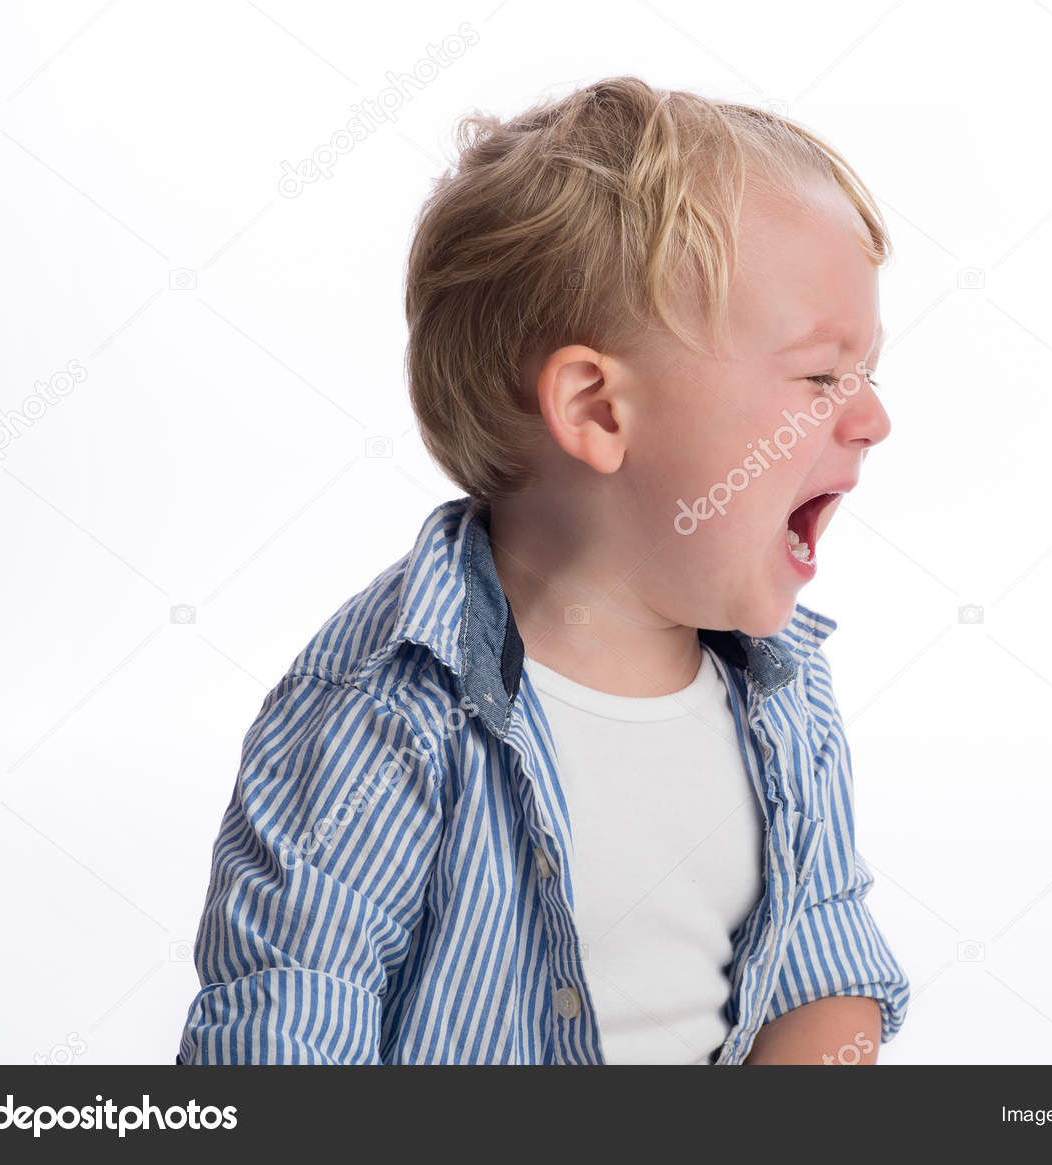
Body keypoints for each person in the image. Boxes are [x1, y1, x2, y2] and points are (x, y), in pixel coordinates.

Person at [176, 75, 907, 1065]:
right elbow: (289, 1021)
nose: (870, 420)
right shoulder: (382, 715)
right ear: (599, 411)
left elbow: (824, 970)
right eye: (821, 376)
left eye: (867, 374)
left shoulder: (783, 689)